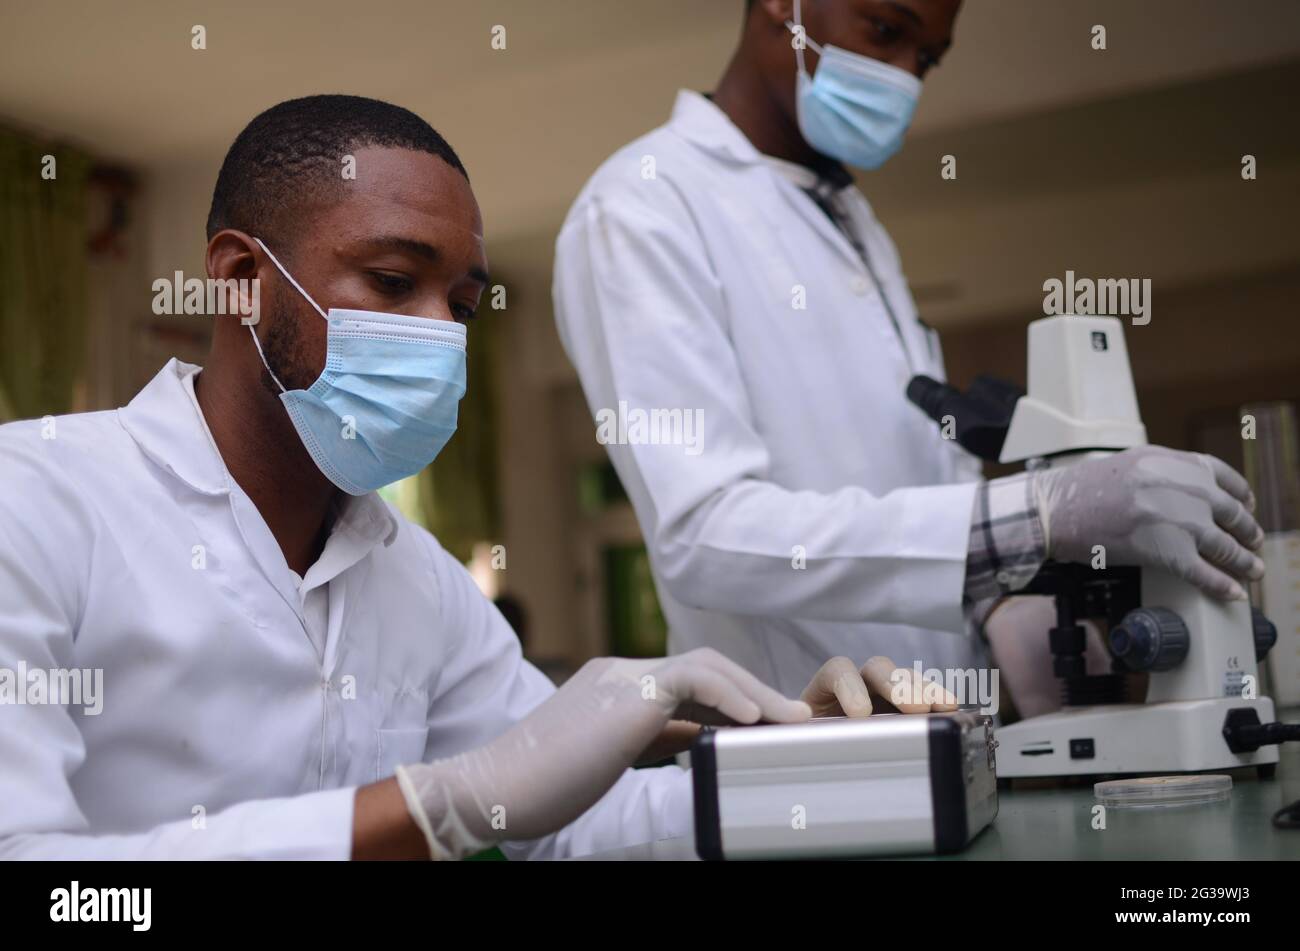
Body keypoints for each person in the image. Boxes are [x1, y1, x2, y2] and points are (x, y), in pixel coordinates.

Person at [0, 94, 949, 861]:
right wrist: (436, 805)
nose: (442, 335)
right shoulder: (37, 503)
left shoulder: (418, 581)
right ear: (241, 277)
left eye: (463, 303)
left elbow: (577, 817)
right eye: (391, 280)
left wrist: (801, 765)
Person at [552, 0, 1265, 699]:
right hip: (796, 769)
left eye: (927, 57)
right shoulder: (640, 206)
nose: (905, 76)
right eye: (887, 30)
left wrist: (996, 609)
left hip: (943, 738)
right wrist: (1032, 518)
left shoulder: (852, 218)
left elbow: (917, 476)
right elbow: (706, 535)